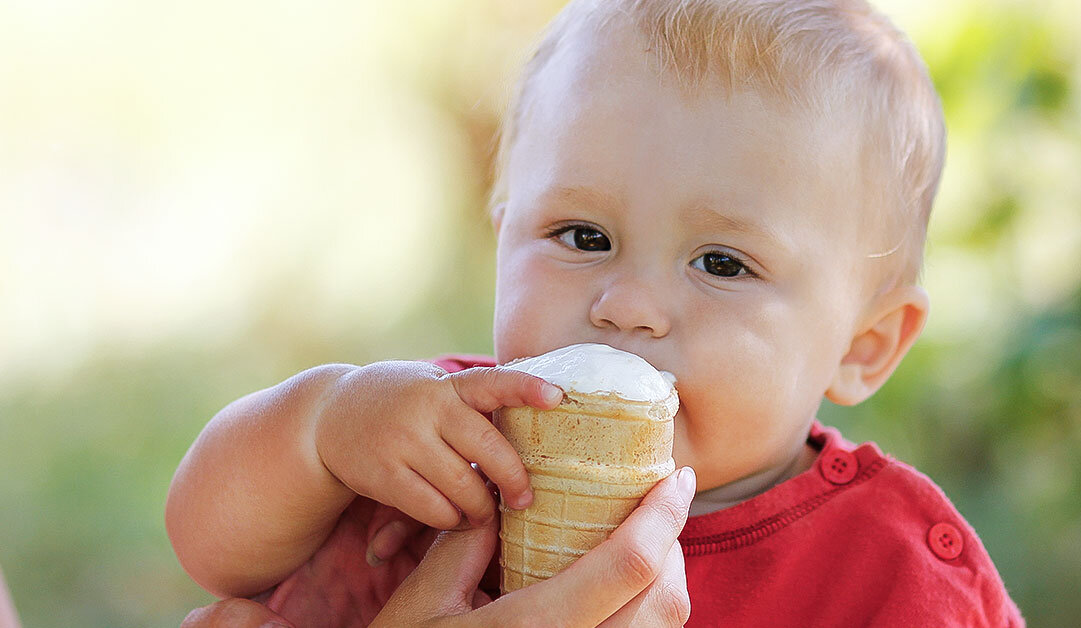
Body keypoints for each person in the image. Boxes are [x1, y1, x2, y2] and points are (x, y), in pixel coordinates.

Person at [167, 0, 1024, 625]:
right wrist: (322, 425)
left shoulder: (889, 576)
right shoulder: (443, 444)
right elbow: (208, 544)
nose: (628, 306)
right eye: (581, 235)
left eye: (722, 262)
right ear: (502, 239)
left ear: (864, 345)